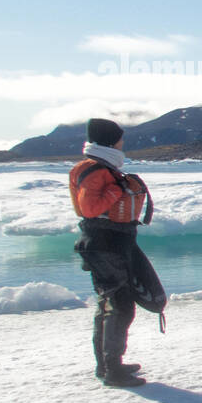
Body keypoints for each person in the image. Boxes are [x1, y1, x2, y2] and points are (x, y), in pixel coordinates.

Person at [68, 118, 166, 388]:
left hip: (111, 242)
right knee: (120, 307)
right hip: (106, 244)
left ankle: (108, 364)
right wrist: (116, 190)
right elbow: (89, 208)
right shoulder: (98, 170)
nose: (123, 142)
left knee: (110, 305)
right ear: (112, 141)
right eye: (120, 138)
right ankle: (112, 369)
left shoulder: (98, 166)